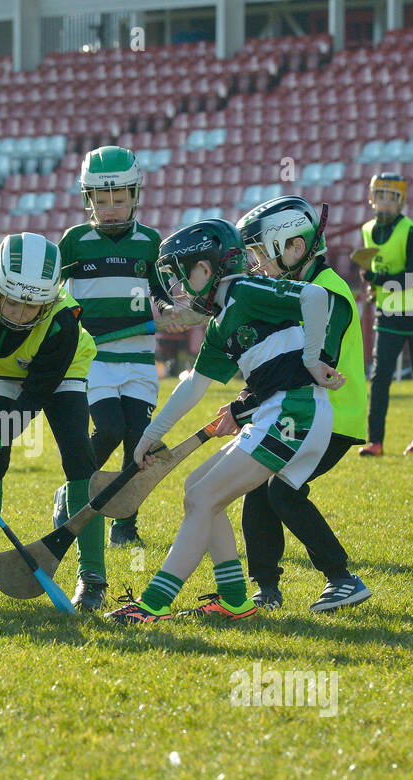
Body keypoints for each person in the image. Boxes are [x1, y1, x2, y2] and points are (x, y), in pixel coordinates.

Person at [104, 220, 344, 625]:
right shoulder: (219, 323)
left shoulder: (246, 290)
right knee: (196, 488)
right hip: (278, 413)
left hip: (295, 411)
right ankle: (234, 601)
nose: (179, 285)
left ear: (207, 267)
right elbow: (192, 387)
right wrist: (149, 436)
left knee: (203, 497)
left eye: (182, 272)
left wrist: (311, 359)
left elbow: (317, 295)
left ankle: (154, 603)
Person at [0, 231, 105, 611]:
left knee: (79, 458)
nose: (19, 315)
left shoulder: (63, 320)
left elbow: (35, 396)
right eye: (11, 302)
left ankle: (93, 578)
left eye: (32, 307)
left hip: (62, 371)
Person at [236, 196, 371, 612]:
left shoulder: (329, 292)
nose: (257, 263)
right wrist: (246, 401)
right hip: (300, 412)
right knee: (258, 485)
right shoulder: (290, 291)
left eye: (262, 252)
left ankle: (342, 578)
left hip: (332, 417)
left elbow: (310, 366)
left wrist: (246, 406)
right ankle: (266, 589)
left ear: (296, 247)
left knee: (282, 490)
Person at [52, 145, 179, 548]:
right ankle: (72, 493)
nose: (109, 209)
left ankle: (124, 523)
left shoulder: (150, 241)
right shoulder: (75, 241)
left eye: (119, 199)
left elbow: (159, 292)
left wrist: (168, 310)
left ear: (135, 195)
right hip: (94, 357)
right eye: (101, 200)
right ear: (87, 198)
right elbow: (52, 292)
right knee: (109, 428)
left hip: (139, 357)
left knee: (138, 440)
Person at [358, 172, 413, 456]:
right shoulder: (367, 229)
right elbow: (378, 267)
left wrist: (378, 280)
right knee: (380, 376)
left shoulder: (409, 231)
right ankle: (375, 441)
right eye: (380, 196)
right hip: (389, 312)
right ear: (371, 198)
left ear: (401, 201)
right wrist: (372, 284)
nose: (385, 203)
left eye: (391, 198)